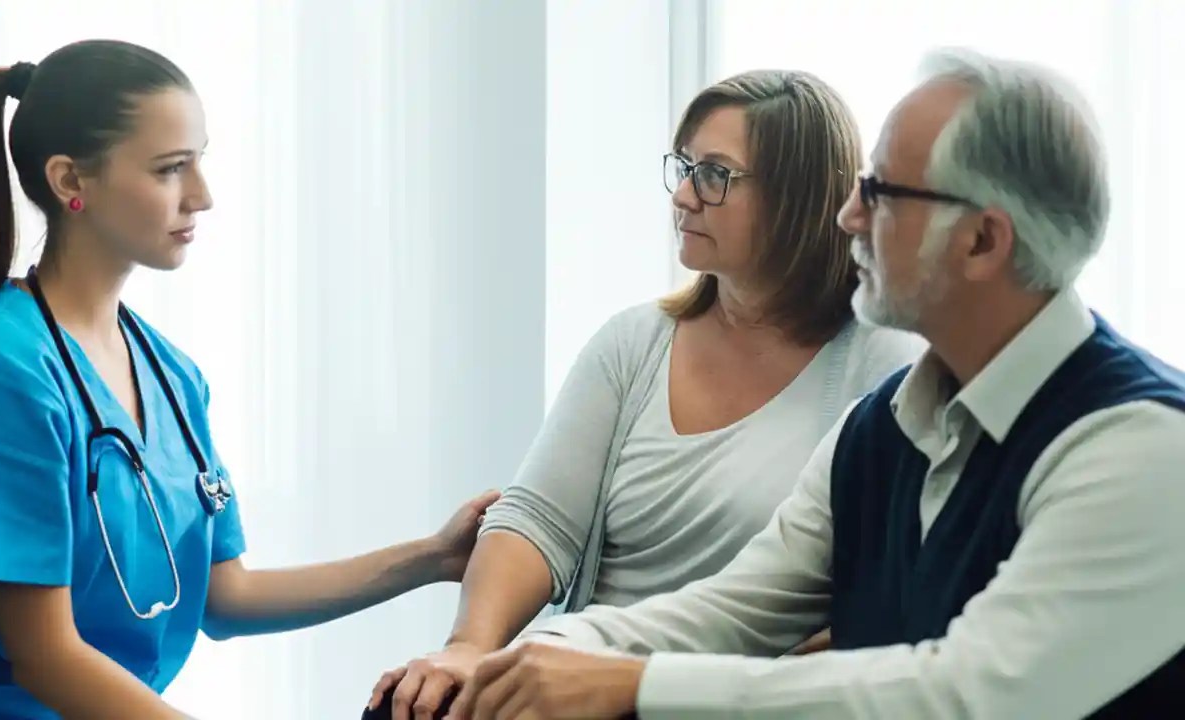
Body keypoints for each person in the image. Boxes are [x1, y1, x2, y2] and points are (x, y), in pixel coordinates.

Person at [440, 47, 1185, 720]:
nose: (847, 215)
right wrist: (535, 659)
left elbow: (974, 694)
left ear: (983, 240)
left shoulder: (1143, 445)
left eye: (882, 193)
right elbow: (731, 607)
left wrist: (634, 686)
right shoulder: (880, 428)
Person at [0, 40, 500, 720]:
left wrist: (430, 557)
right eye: (170, 169)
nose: (202, 196)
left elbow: (225, 598)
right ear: (71, 181)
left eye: (200, 161)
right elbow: (47, 658)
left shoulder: (172, 376)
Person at [367, 69, 927, 719]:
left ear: (797, 198)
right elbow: (536, 522)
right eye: (685, 166)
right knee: (405, 707)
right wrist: (469, 647)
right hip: (582, 674)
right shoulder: (634, 342)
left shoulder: (884, 365)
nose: (684, 196)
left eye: (715, 174)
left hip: (731, 696)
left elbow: (872, 613)